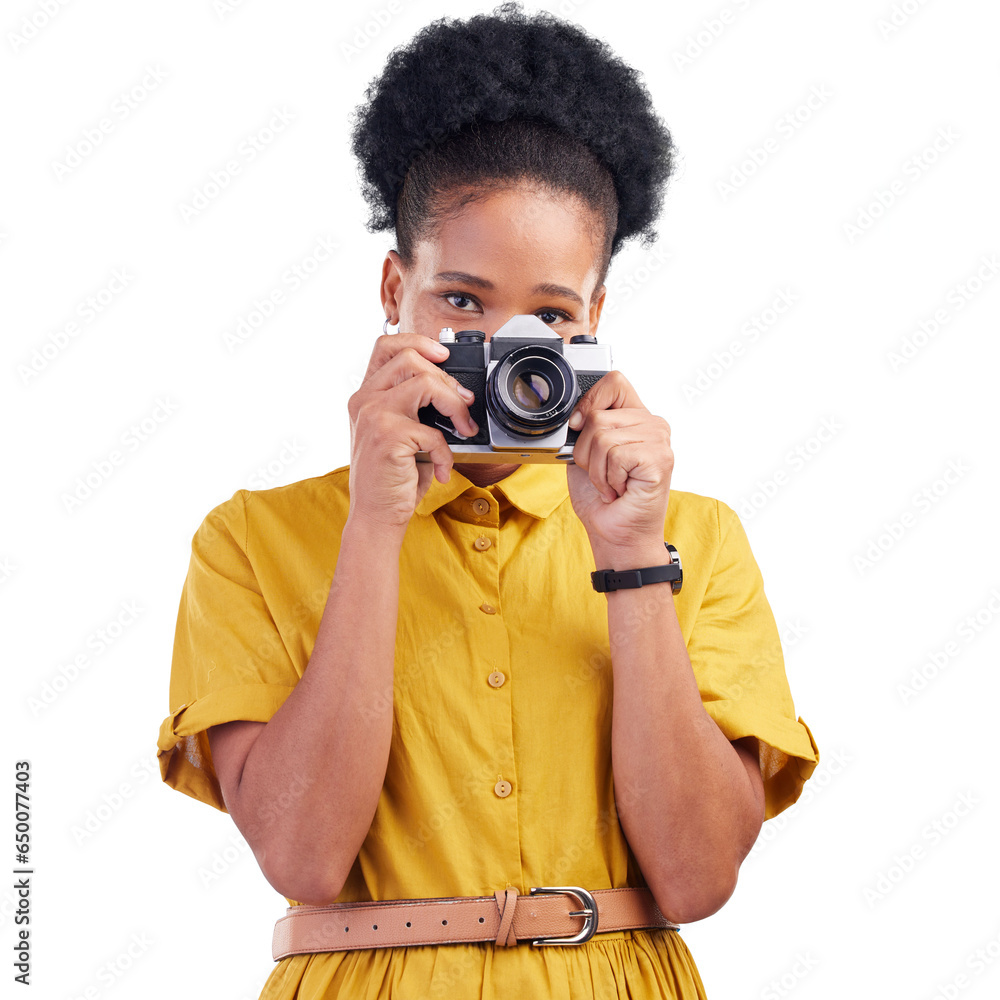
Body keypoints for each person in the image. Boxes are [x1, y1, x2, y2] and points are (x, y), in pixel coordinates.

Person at [156, 4, 820, 997]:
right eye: (461, 302)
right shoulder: (254, 540)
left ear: (594, 318)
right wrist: (375, 527)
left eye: (548, 316)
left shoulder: (693, 536)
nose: (504, 353)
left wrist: (631, 556)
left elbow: (694, 875)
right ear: (395, 287)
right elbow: (301, 858)